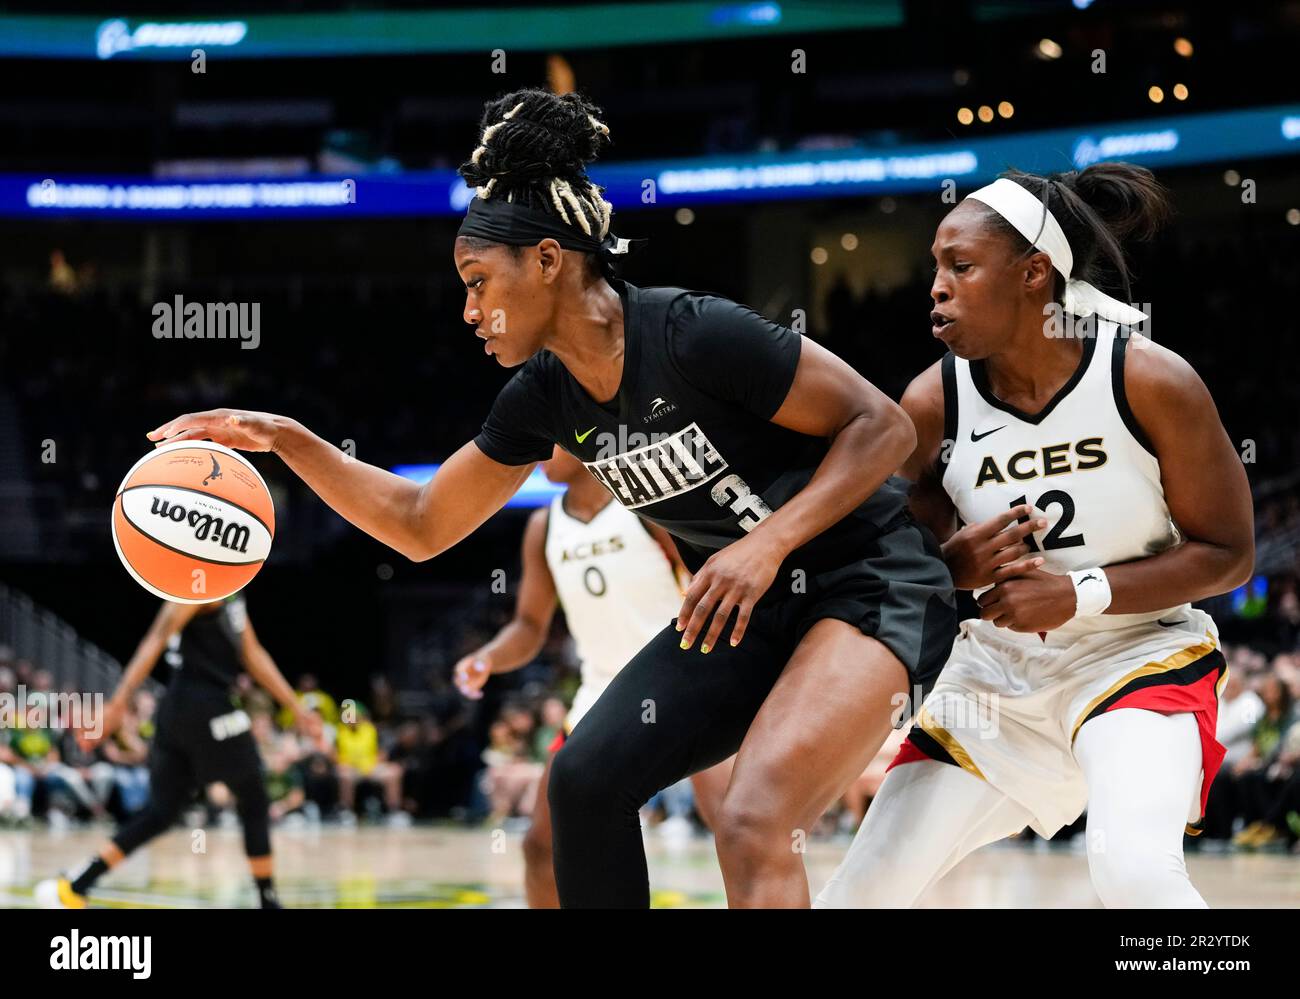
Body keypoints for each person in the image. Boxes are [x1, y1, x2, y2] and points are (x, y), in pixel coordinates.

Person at [144, 87, 957, 908]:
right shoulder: (542, 397)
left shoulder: (692, 332)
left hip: (868, 580)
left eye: (477, 282)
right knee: (581, 781)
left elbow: (882, 427)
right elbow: (421, 523)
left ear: (545, 260)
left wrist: (767, 542)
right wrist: (287, 438)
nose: (469, 311)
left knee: (751, 819)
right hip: (750, 608)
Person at [816, 164, 1254, 908]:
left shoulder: (1149, 379)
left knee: (1134, 874)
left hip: (1135, 658)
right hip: (992, 680)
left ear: (1033, 273)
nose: (936, 287)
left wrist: (1079, 593)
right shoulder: (931, 401)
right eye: (935, 268)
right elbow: (892, 566)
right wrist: (947, 569)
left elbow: (1230, 554)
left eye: (960, 266)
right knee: (856, 897)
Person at [453, 445, 732, 906]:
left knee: (735, 826)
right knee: (540, 845)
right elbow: (529, 626)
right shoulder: (543, 526)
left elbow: (705, 574)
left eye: (549, 439)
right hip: (599, 693)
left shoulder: (646, 505)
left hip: (682, 680)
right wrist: (488, 657)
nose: (538, 451)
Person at [35, 594, 322, 909]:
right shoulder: (200, 585)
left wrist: (295, 707)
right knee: (254, 798)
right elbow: (155, 639)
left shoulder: (232, 593)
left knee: (161, 812)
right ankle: (268, 901)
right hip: (206, 707)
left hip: (177, 714)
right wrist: (117, 704)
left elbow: (252, 653)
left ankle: (76, 885)